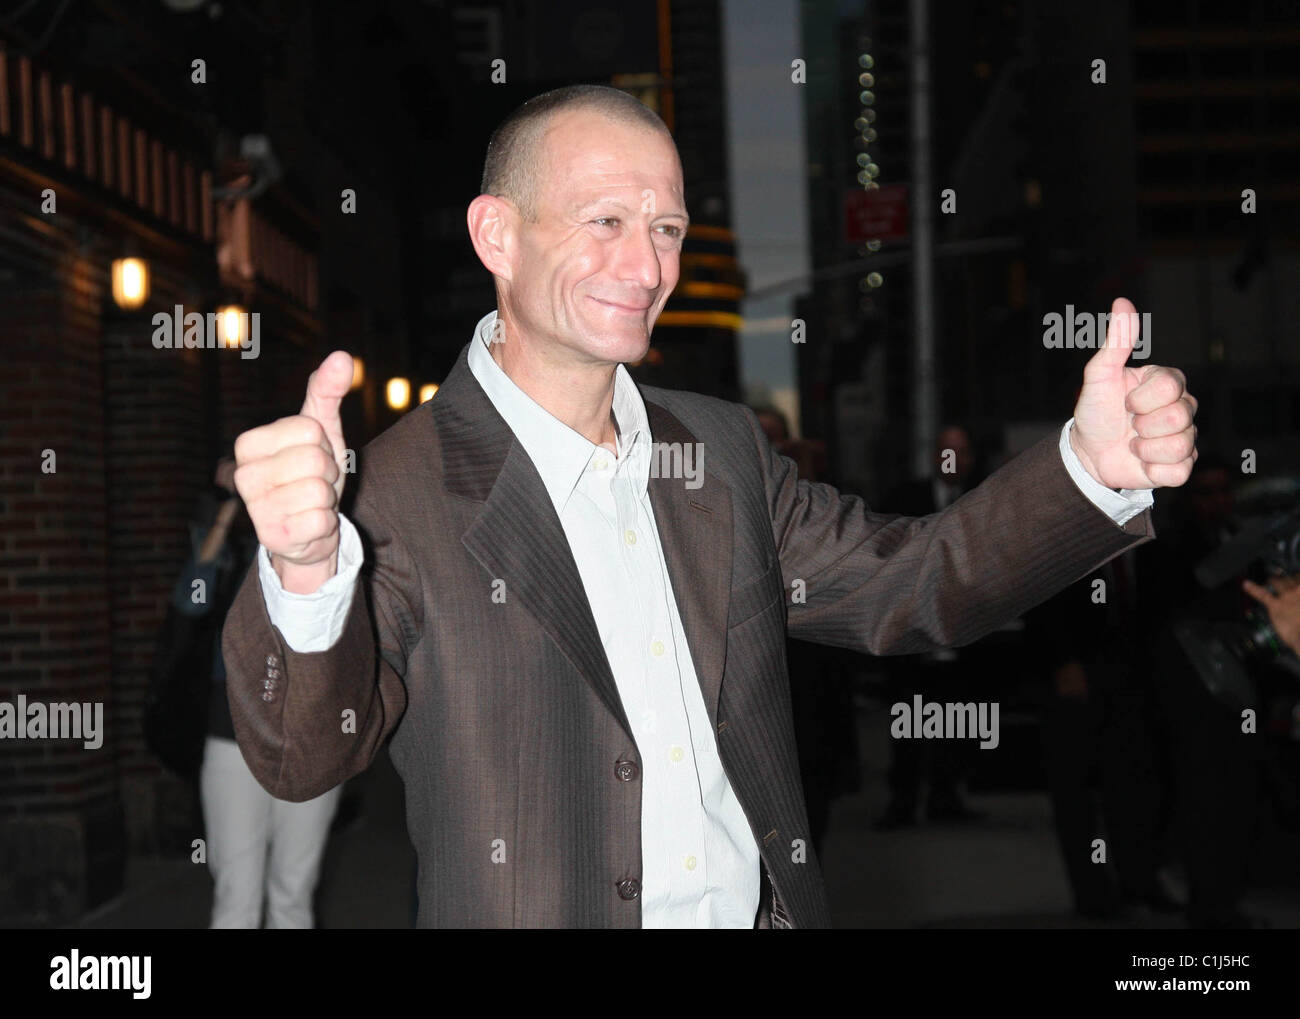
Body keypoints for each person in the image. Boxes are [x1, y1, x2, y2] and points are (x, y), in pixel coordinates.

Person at [221, 84, 1198, 928]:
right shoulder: (396, 485)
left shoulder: (719, 451)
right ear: (497, 235)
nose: (646, 268)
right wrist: (305, 573)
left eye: (667, 228)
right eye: (604, 220)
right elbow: (304, 754)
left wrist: (1085, 470)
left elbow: (913, 585)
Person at [172, 457, 342, 928]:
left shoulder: (330, 538)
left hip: (310, 740)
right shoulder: (231, 549)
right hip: (232, 736)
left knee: (292, 896)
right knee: (235, 898)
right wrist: (229, 508)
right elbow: (191, 598)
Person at [875, 425, 990, 829]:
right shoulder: (905, 501)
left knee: (958, 721)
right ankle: (902, 800)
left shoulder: (984, 502)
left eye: (961, 452)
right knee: (908, 723)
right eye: (946, 452)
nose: (953, 461)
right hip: (913, 636)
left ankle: (947, 795)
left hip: (965, 638)